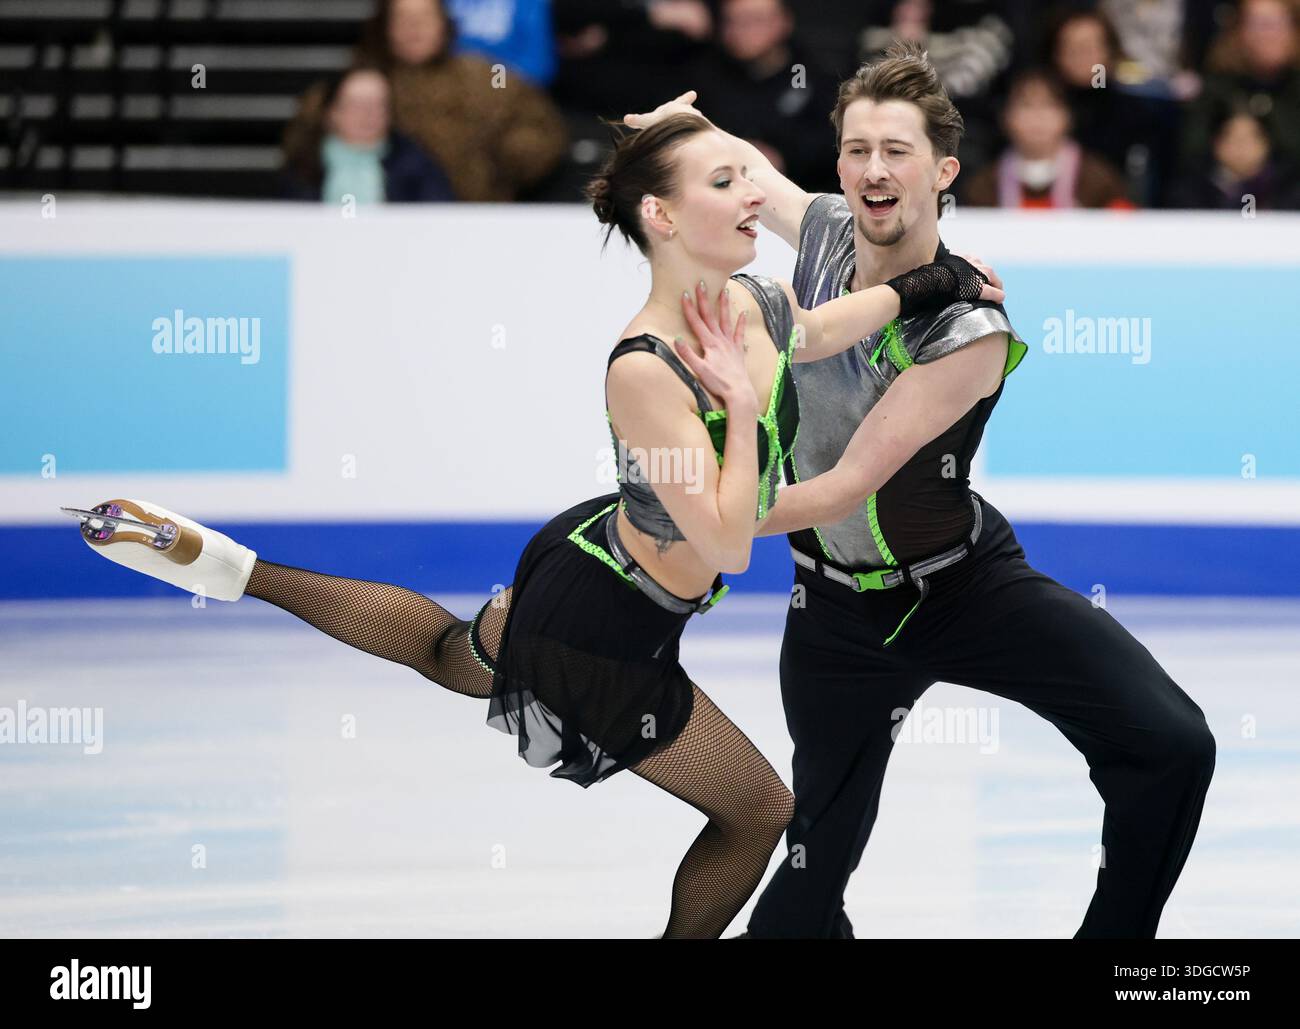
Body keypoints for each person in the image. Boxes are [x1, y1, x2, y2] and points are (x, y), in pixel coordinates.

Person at [64, 113, 998, 938]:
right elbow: (723, 546)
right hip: (608, 626)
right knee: (758, 811)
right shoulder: (645, 368)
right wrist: (747, 414)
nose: (755, 193)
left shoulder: (750, 301)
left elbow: (829, 327)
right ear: (661, 218)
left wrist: (936, 281)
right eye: (726, 183)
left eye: (746, 176)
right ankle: (236, 568)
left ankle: (231, 564)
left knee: (450, 653)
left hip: (588, 557)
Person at [627, 40, 1216, 938]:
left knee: (1173, 742)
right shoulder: (826, 230)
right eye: (857, 149)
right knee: (807, 882)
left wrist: (711, 520)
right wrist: (682, 127)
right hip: (833, 619)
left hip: (962, 587)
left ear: (942, 170)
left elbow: (848, 484)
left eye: (896, 151)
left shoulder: (971, 325)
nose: (873, 169)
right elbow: (752, 174)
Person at [280, 66, 456, 204]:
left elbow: (439, 217)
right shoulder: (304, 166)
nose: (368, 115)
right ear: (331, 112)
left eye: (378, 105)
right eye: (357, 105)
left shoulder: (415, 164)